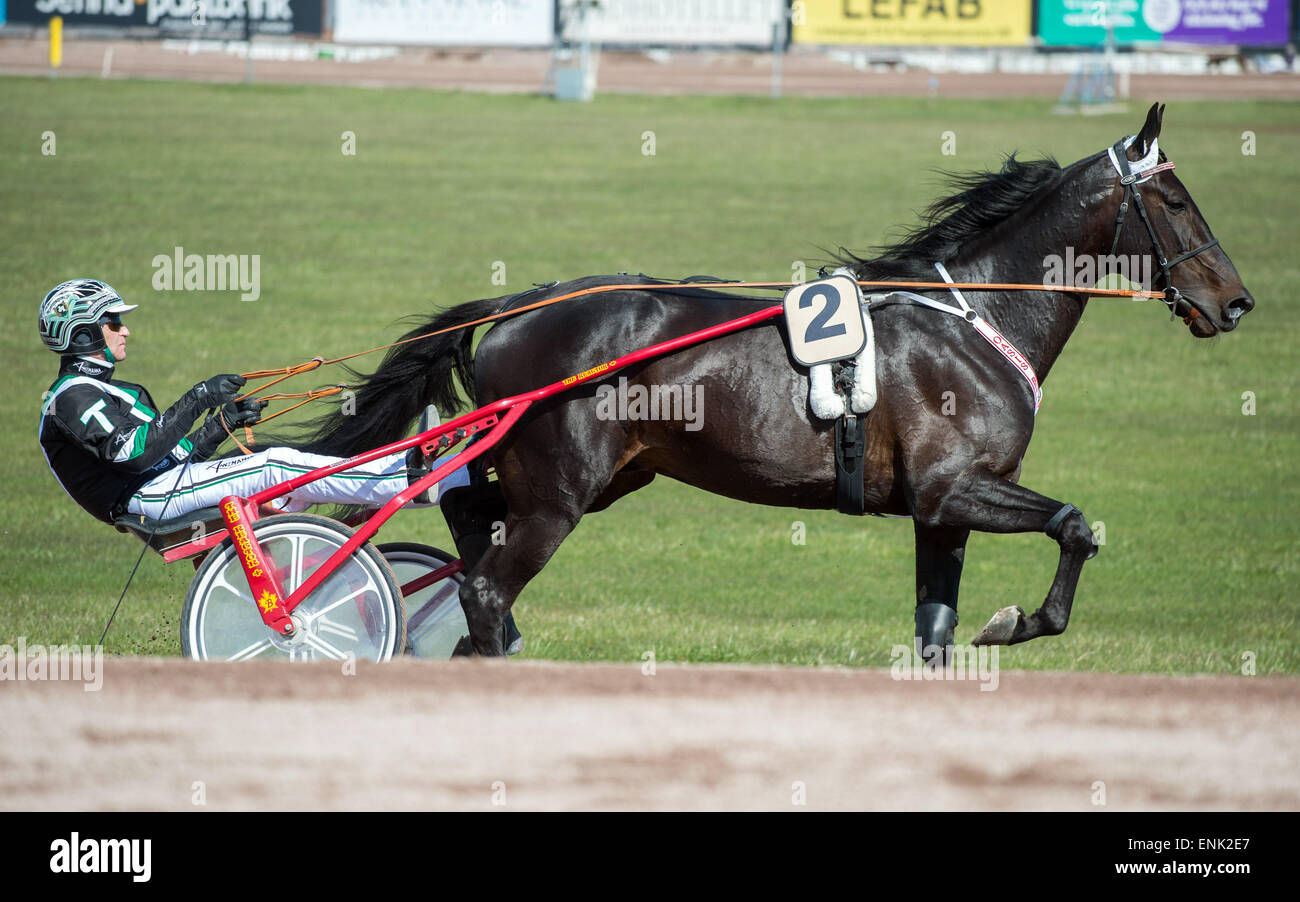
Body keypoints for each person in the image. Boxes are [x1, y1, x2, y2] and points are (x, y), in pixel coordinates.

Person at [38, 278, 521, 652]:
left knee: (294, 482)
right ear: (83, 334)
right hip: (144, 502)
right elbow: (134, 454)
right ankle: (409, 476)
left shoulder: (110, 390)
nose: (125, 330)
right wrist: (199, 397)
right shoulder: (73, 397)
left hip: (160, 489)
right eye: (113, 322)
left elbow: (174, 456)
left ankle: (452, 475)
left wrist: (220, 423)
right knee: (274, 466)